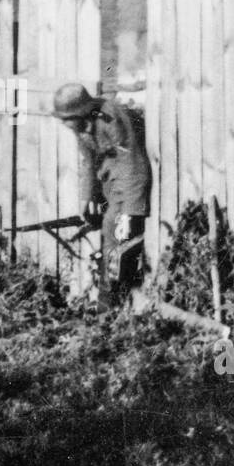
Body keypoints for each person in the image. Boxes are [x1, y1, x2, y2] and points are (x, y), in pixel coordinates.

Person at [52, 83, 152, 306]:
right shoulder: (82, 127)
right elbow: (88, 162)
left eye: (66, 118)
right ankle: (112, 308)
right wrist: (87, 199)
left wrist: (130, 210)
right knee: (112, 243)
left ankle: (109, 309)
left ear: (80, 113)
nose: (63, 123)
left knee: (115, 238)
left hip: (127, 188)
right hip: (110, 187)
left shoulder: (110, 116)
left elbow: (131, 161)